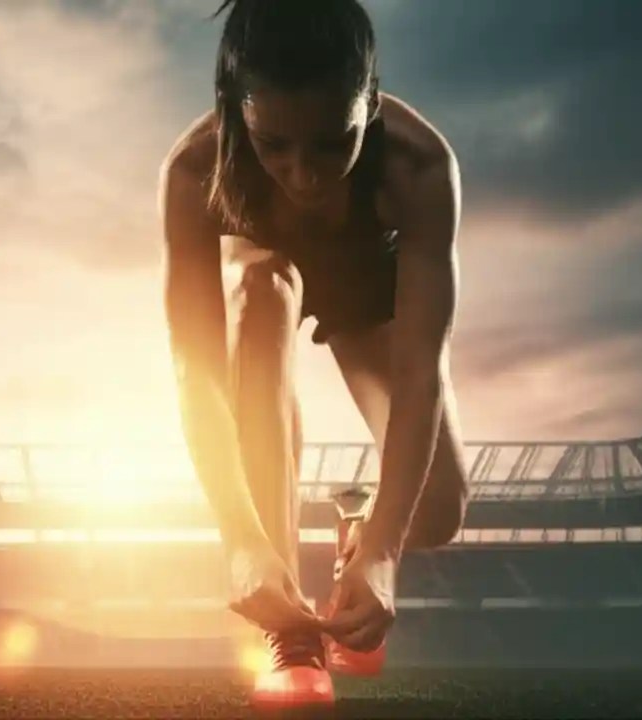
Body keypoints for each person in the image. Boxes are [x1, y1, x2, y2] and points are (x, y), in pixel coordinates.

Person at [158, 0, 470, 705]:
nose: (303, 175)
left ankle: (355, 542)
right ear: (235, 113)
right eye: (273, 146)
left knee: (440, 512)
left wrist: (385, 548)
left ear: (372, 106)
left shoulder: (420, 168)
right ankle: (295, 640)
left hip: (367, 294)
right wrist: (241, 541)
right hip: (263, 290)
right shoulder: (192, 174)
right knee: (261, 286)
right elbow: (197, 372)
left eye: (333, 144)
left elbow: (422, 373)